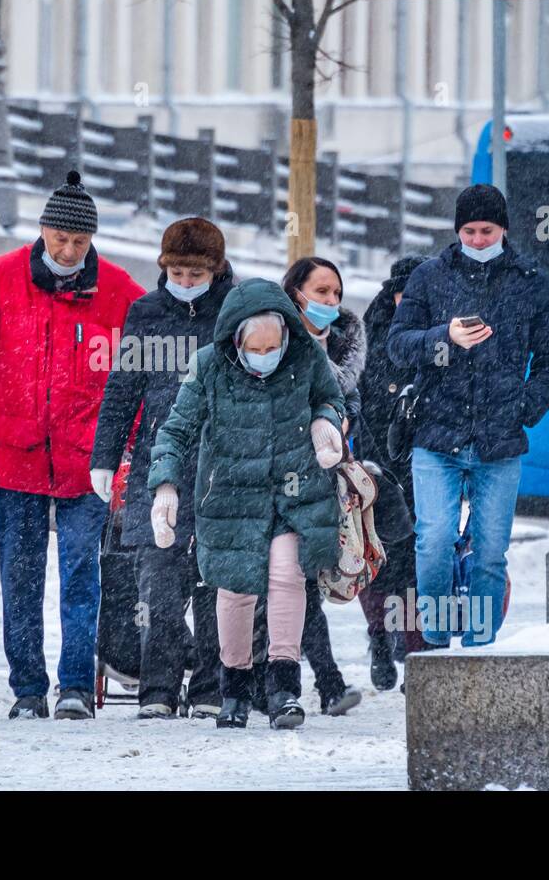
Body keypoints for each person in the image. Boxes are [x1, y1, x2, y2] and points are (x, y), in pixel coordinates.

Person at [0, 171, 145, 721]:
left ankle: (74, 686)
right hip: (14, 457)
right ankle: (27, 688)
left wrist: (127, 445)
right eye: (59, 239)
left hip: (87, 461)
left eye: (80, 242)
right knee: (19, 580)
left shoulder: (119, 293)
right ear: (42, 231)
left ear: (92, 241)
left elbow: (145, 369)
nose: (69, 251)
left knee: (79, 575)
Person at [147, 278, 346, 730]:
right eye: (255, 348)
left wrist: (325, 423)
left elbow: (331, 399)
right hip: (232, 496)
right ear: (235, 340)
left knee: (286, 576)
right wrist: (165, 486)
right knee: (235, 589)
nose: (264, 356)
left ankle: (283, 689)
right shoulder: (209, 367)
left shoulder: (306, 357)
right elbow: (177, 429)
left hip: (291, 494)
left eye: (272, 346)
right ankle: (233, 689)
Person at [387, 184, 549, 648]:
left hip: (500, 439)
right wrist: (442, 337)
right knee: (434, 543)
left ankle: (480, 646)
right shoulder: (430, 277)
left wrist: (524, 408)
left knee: (490, 552)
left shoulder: (531, 280)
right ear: (457, 231)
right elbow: (397, 346)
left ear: (504, 229)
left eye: (487, 230)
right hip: (435, 434)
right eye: (469, 231)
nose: (478, 240)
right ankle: (436, 638)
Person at [91, 217, 233, 720]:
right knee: (159, 582)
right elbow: (123, 388)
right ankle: (157, 688)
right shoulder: (146, 313)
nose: (187, 281)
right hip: (159, 466)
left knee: (217, 580)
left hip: (222, 465)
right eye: (177, 271)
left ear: (215, 270)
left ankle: (212, 687)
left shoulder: (234, 313)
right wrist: (105, 456)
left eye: (196, 273)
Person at [279, 256, 364, 714]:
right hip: (274, 475)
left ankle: (322, 682)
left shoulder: (346, 348)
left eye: (336, 293)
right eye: (321, 292)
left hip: (323, 479)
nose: (331, 301)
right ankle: (298, 682)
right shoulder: (273, 338)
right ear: (297, 294)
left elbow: (354, 404)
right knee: (282, 581)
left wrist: (341, 420)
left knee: (306, 580)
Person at [356, 255, 430, 689]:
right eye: (403, 292)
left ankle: (415, 650)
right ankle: (380, 642)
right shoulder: (371, 333)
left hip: (425, 460)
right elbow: (357, 398)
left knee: (417, 562)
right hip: (378, 464)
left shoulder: (438, 334)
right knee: (379, 561)